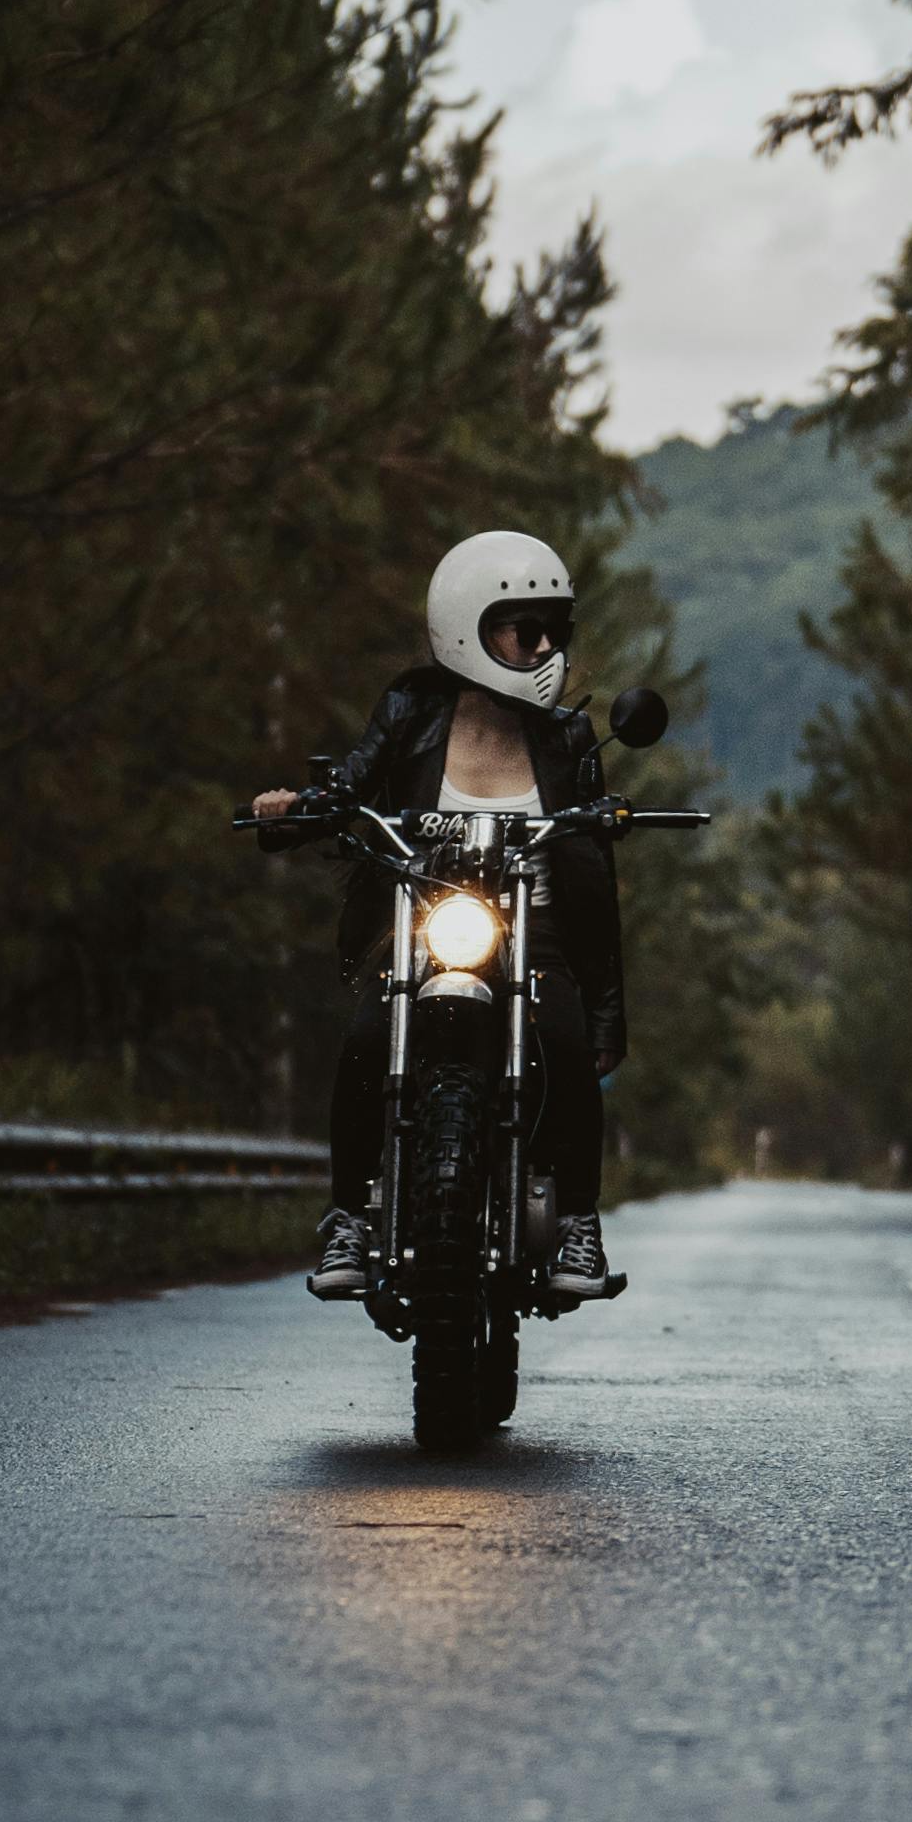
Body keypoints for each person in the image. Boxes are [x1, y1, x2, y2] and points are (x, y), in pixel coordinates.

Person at [253, 529, 627, 1305]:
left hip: (538, 933)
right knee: (363, 1041)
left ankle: (578, 1224)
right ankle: (351, 1216)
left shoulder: (568, 735)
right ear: (470, 624)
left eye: (557, 629)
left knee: (559, 1034)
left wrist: (614, 813)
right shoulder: (411, 710)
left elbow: (594, 862)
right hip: (419, 924)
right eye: (527, 629)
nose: (546, 646)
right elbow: (353, 781)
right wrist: (299, 806)